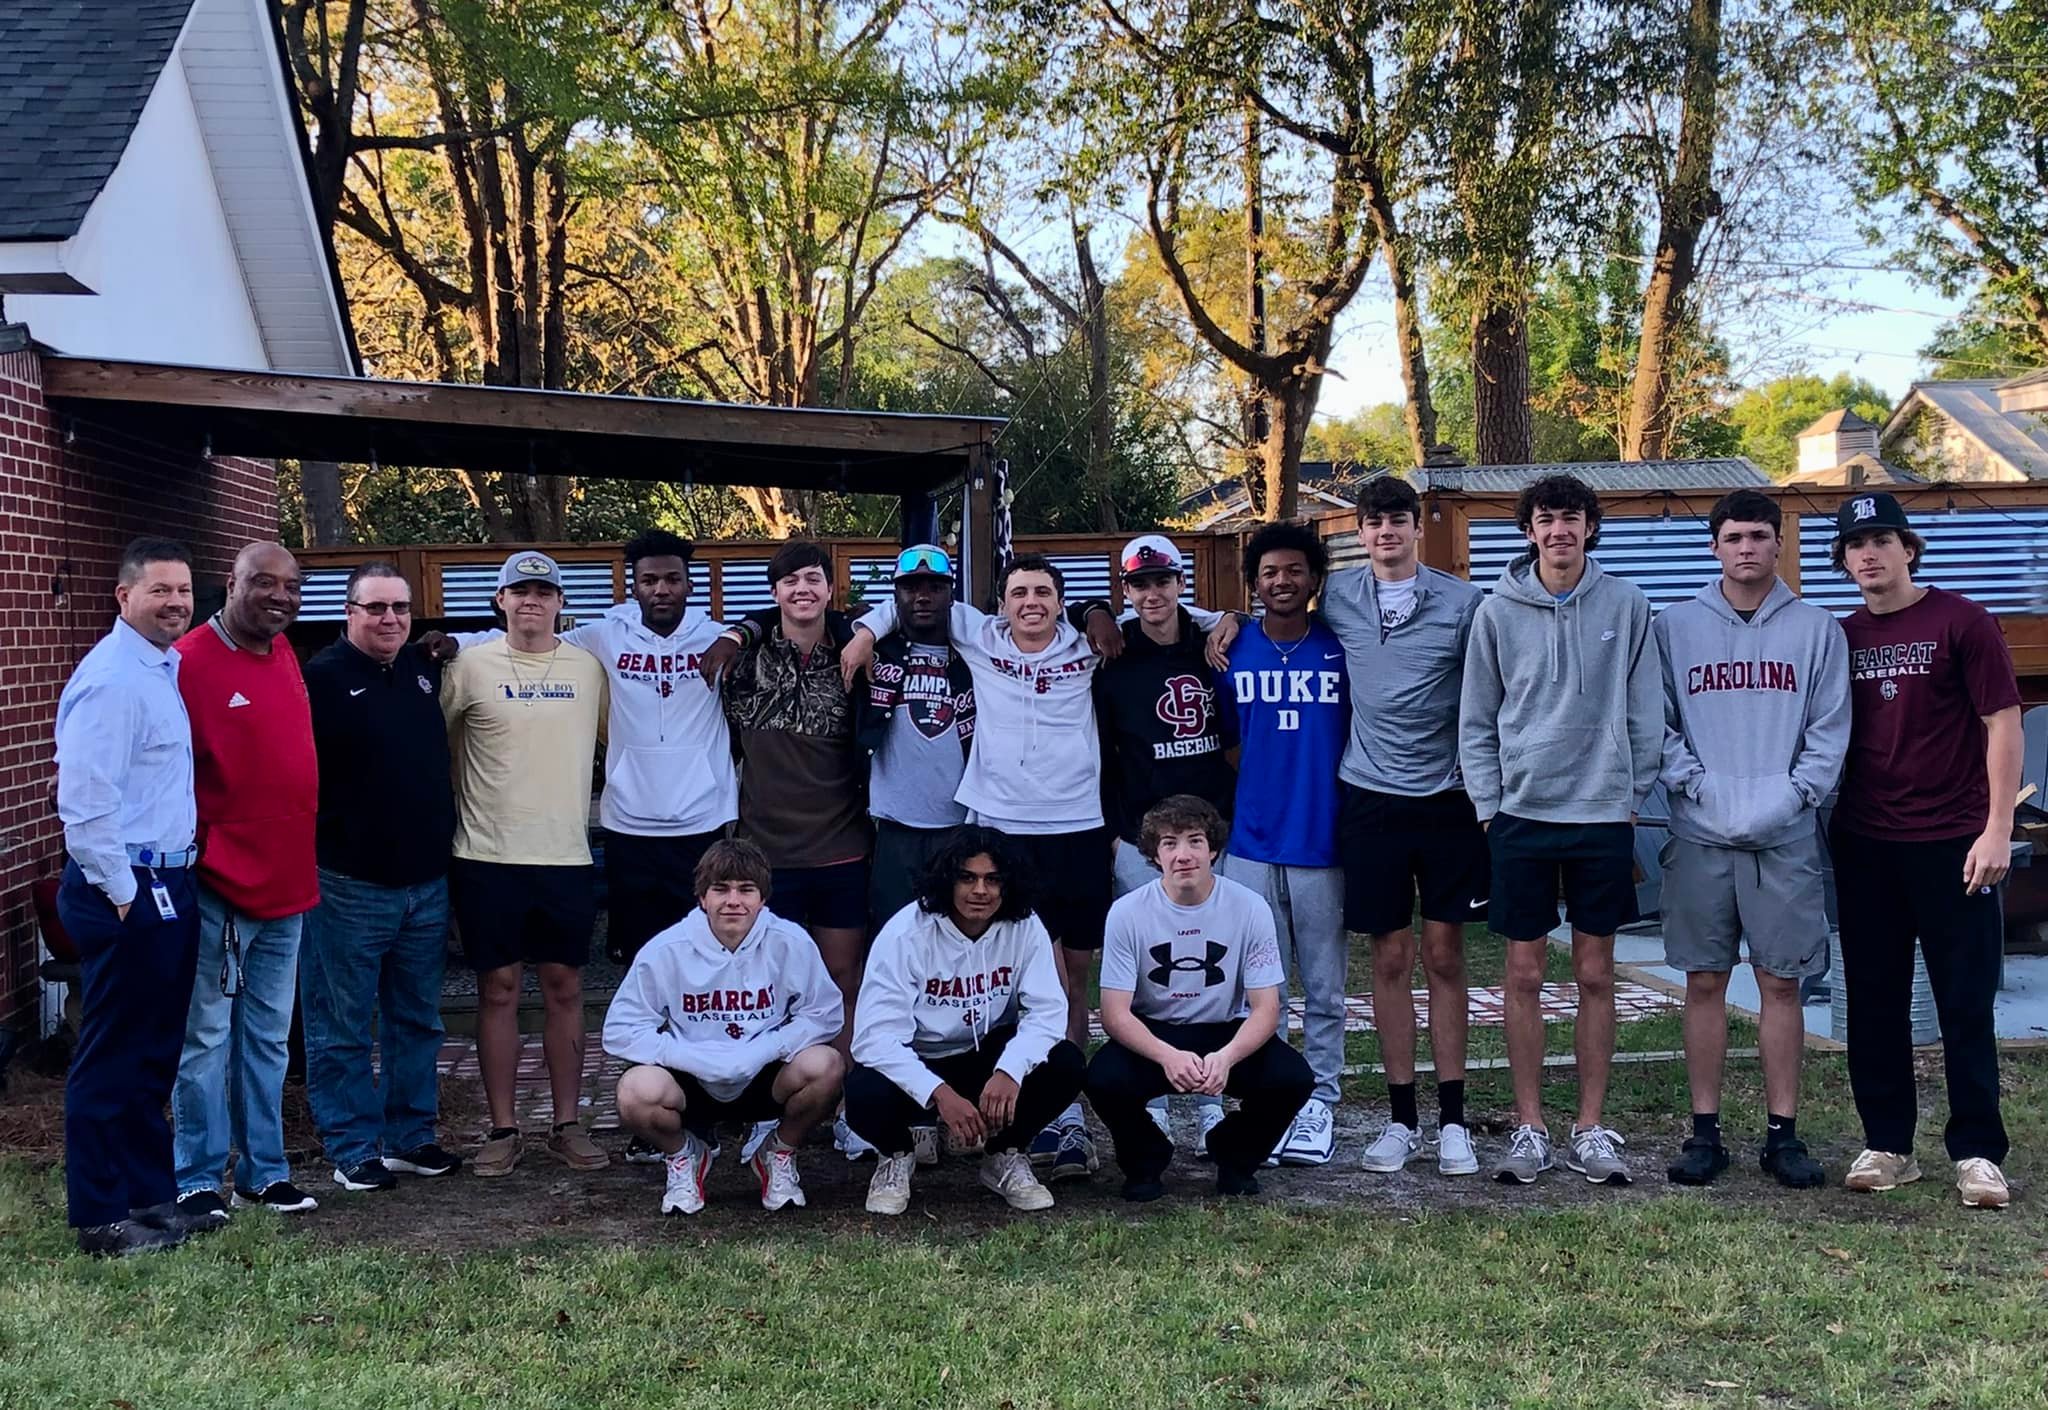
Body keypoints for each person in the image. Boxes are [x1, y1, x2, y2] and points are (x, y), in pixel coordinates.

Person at [841, 555, 1236, 1180]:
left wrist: (1228, 621)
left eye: (1044, 593)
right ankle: (976, 1092)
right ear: (1001, 603)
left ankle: (1065, 1114)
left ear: (1061, 601)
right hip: (1001, 828)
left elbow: (1194, 615)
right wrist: (864, 632)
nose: (1031, 603)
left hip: (1076, 827)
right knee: (1023, 966)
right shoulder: (978, 633)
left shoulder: (1090, 639)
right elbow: (912, 603)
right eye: (1019, 593)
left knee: (1073, 971)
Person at [1459, 474, 1661, 1186]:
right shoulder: (1495, 612)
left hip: (1603, 815)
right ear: (1528, 531)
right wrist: (1490, 805)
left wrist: (1631, 795)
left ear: (1590, 527)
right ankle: (1530, 1128)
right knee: (1523, 973)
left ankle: (1590, 1128)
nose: (1559, 532)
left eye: (1571, 519)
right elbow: (1477, 720)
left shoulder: (1628, 605)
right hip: (1522, 817)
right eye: (1546, 520)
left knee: (1595, 973)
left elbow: (1645, 709)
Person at [1829, 491, 2020, 1209]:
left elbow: (2002, 723)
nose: (1868, 554)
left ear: (1909, 547)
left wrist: (1997, 827)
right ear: (1843, 560)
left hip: (1955, 842)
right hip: (1867, 842)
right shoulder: (1839, 636)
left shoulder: (1962, 621)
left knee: (1964, 1001)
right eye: (1855, 544)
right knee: (1873, 1000)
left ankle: (1977, 1151)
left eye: (1881, 539)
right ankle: (1888, 1144)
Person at [1655, 490, 1848, 1189]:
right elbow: (1659, 722)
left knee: (1782, 983)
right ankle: (1704, 1132)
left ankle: (1782, 1134)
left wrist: (1796, 794)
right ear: (1714, 546)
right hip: (1701, 829)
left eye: (1760, 536)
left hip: (1784, 833)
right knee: (1703, 980)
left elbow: (1829, 732)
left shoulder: (1817, 629)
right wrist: (1694, 785)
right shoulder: (1675, 626)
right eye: (1734, 536)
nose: (1747, 548)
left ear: (1778, 545)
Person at [1318, 476, 1486, 1177]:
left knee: (1445, 958)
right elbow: (1266, 611)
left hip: (1448, 800)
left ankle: (1453, 1121)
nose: (1386, 532)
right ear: (1359, 533)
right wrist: (1221, 622)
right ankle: (1400, 1118)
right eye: (1374, 522)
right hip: (1370, 799)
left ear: (1419, 528)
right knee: (1389, 960)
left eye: (1398, 520)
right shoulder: (1339, 598)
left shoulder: (1465, 602)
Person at [54, 539, 203, 1256]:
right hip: (126, 885)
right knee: (114, 1054)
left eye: (183, 589)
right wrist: (121, 893)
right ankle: (101, 1215)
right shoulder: (112, 679)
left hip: (169, 879)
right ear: (124, 596)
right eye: (160, 591)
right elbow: (84, 801)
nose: (176, 602)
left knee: (153, 1051)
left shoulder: (160, 668)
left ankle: (151, 1197)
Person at [441, 551, 610, 1178]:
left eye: (544, 591)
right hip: (484, 856)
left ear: (561, 602)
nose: (532, 601)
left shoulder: (588, 669)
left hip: (565, 854)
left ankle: (567, 1124)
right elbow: (434, 740)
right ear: (500, 601)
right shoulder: (469, 666)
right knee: (499, 989)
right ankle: (504, 1128)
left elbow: (618, 741)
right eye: (520, 591)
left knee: (566, 989)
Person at [300, 562, 463, 1194]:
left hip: (425, 882)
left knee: (417, 1019)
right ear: (350, 613)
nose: (389, 618)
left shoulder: (423, 671)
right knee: (341, 1024)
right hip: (349, 883)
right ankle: (351, 1147)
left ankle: (410, 1137)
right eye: (375, 608)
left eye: (399, 607)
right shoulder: (321, 680)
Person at [171, 542, 321, 1219]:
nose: (280, 597)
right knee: (205, 1037)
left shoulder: (283, 652)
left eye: (291, 586)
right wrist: (207, 854)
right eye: (264, 583)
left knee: (266, 1038)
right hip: (222, 884)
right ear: (229, 583)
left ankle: (264, 1171)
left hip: (289, 881)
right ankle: (198, 1176)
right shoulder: (191, 662)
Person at [715, 542, 872, 1157]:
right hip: (765, 855)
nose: (802, 590)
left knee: (841, 982)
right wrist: (739, 631)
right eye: (789, 582)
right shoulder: (745, 651)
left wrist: (859, 628)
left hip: (841, 848)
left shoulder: (856, 648)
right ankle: (767, 1105)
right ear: (774, 592)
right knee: (767, 986)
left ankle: (849, 1107)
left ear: (831, 590)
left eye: (813, 579)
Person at [847, 828, 1085, 1214]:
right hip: (920, 1057)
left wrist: (1010, 1069)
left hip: (985, 1053)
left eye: (993, 879)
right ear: (947, 880)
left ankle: (1004, 1155)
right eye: (967, 877)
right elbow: (874, 1039)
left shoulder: (1024, 925)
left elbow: (1049, 1012)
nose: (981, 891)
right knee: (863, 1092)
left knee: (1064, 1063)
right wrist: (939, 1093)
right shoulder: (906, 933)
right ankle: (896, 1156)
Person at [1087, 796, 1313, 1201]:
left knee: (1292, 1078)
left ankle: (1235, 1156)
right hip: (1154, 1032)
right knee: (1102, 1078)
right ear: (1154, 855)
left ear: (1213, 849)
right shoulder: (1126, 913)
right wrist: (1167, 1056)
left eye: (1194, 841)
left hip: (1224, 1030)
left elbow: (1267, 1008)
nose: (1183, 855)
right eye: (1169, 843)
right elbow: (1114, 1014)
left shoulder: (1250, 908)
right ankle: (1145, 1161)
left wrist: (1226, 1058)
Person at [602, 840, 846, 1215]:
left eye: (746, 890)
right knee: (634, 1092)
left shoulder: (790, 941)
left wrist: (764, 1049)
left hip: (765, 1073)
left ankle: (777, 1152)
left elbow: (826, 1014)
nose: (734, 901)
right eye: (721, 889)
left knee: (826, 1066)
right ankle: (684, 1156)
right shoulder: (666, 949)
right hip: (692, 1077)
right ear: (702, 898)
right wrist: (692, 1058)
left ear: (763, 899)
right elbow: (620, 1029)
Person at [1094, 534, 1238, 1149]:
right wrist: (1110, 833)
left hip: (1214, 836)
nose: (1152, 594)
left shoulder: (1213, 645)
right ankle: (1151, 1089)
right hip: (1140, 836)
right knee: (1149, 971)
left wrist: (1228, 618)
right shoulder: (1114, 656)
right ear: (1125, 591)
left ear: (1181, 583)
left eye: (1162, 581)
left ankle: (1212, 1094)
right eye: (1139, 584)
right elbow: (1101, 756)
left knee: (1217, 969)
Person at [1217, 522, 1349, 1167]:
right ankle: (1263, 1099)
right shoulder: (1233, 644)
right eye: (1269, 573)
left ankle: (1319, 1099)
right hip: (1249, 839)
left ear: (1314, 578)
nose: (1282, 582)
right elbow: (1227, 739)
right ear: (1254, 583)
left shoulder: (1341, 643)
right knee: (1253, 987)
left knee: (1323, 984)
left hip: (1323, 838)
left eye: (1294, 570)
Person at [854, 544, 974, 930]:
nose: (922, 596)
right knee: (895, 938)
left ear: (951, 593)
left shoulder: (978, 653)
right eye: (910, 587)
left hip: (961, 823)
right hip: (895, 827)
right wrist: (865, 632)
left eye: (935, 587)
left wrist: (1094, 611)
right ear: (895, 596)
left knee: (960, 938)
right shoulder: (874, 651)